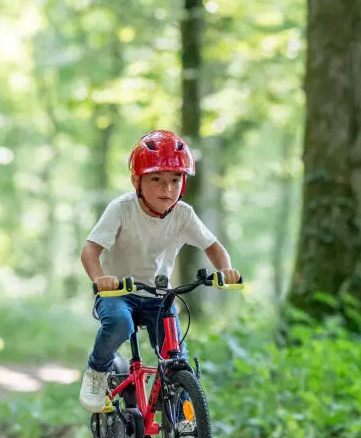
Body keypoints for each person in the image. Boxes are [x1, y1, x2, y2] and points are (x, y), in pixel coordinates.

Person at [78, 130, 241, 413]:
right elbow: (90, 250)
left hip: (158, 296)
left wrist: (225, 269)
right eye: (156, 180)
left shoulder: (183, 215)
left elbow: (213, 246)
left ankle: (181, 420)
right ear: (137, 181)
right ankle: (96, 372)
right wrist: (99, 279)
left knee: (176, 356)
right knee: (119, 324)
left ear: (184, 183)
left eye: (175, 181)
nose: (167, 189)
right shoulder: (121, 209)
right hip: (120, 292)